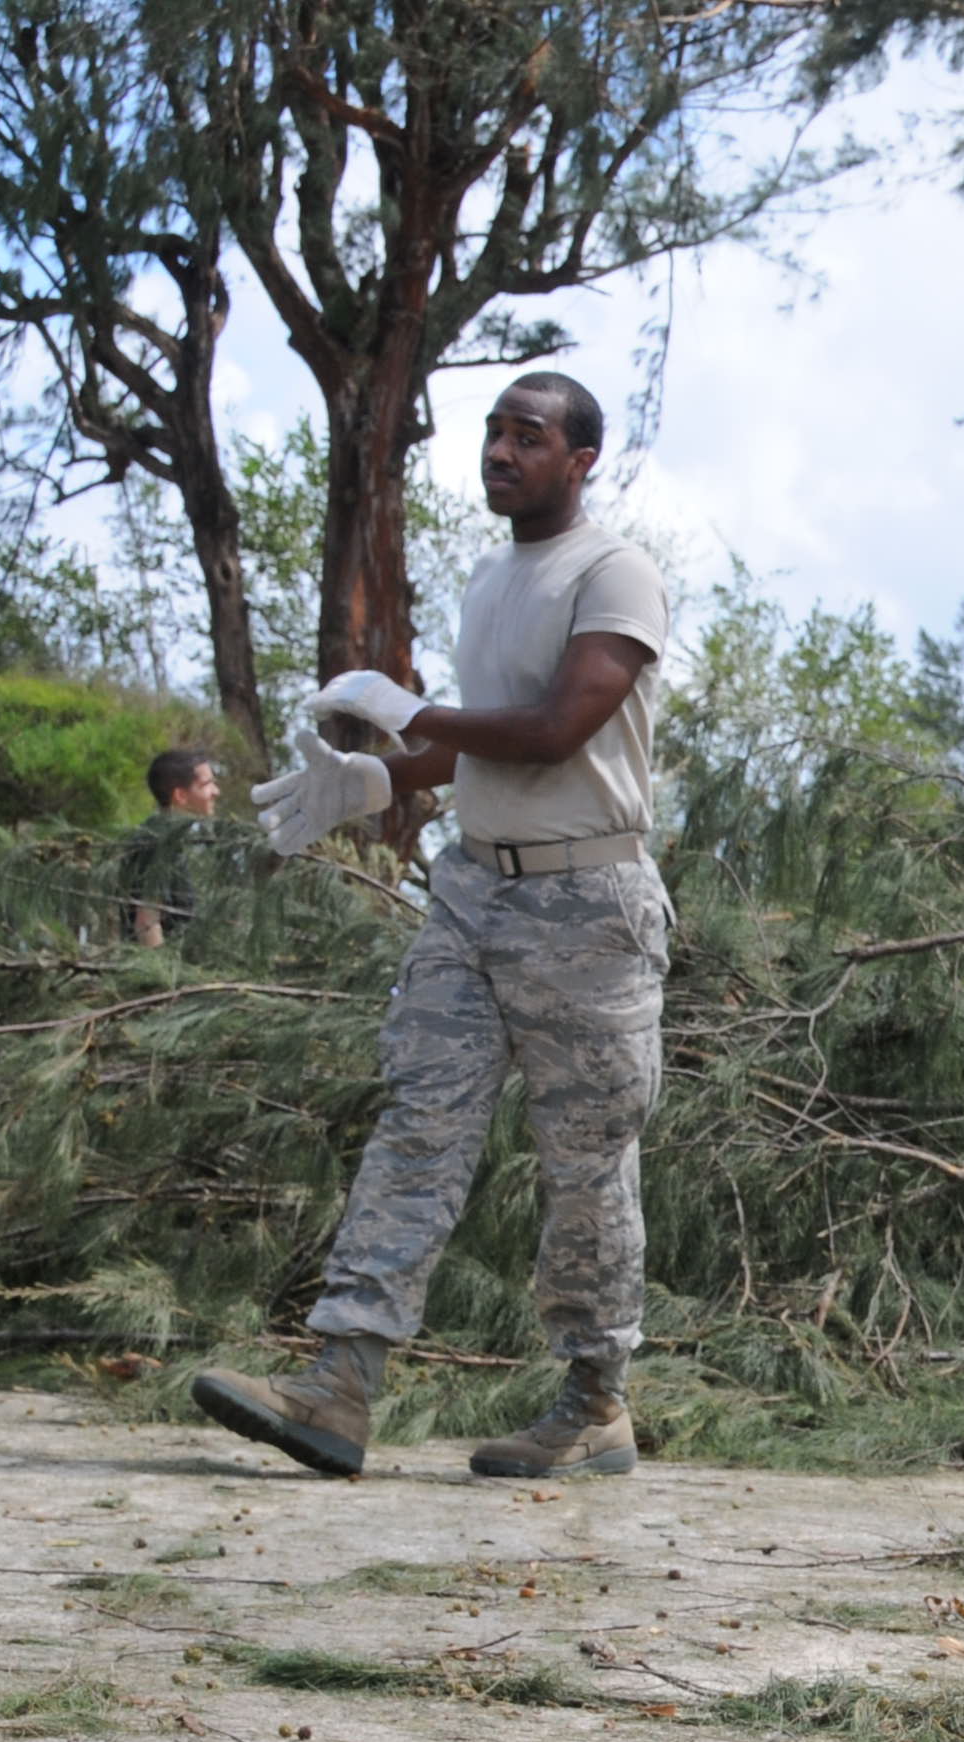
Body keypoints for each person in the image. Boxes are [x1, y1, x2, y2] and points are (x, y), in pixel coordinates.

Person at [193, 370, 671, 1483]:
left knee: (585, 1165)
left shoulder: (614, 573)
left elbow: (555, 729)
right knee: (420, 1122)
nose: (500, 451)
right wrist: (382, 778)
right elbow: (479, 741)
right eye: (493, 432)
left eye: (528, 436)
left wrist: (412, 711)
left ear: (581, 459)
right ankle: (339, 1384)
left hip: (587, 907)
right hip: (469, 893)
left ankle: (594, 1400)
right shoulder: (490, 576)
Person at [125, 746, 217, 949]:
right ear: (181, 795)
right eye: (207, 784)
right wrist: (161, 968)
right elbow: (147, 921)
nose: (216, 792)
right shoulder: (157, 840)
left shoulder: (188, 841)